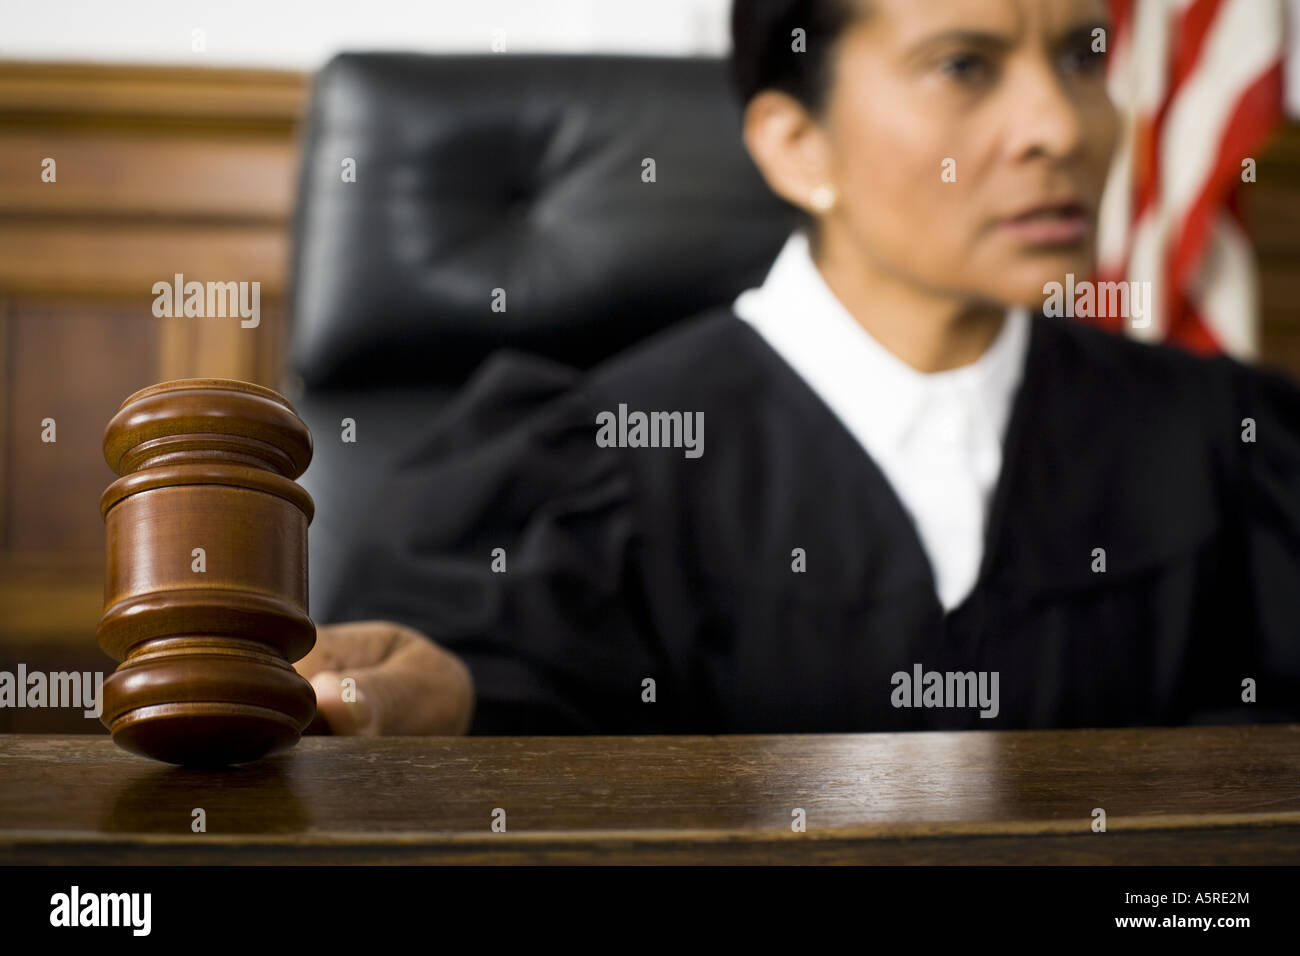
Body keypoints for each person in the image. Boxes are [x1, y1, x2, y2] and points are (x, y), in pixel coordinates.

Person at [296, 0, 1300, 736]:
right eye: (964, 66)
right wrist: (447, 707)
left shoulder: (1221, 435)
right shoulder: (598, 466)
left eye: (1084, 55)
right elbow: (476, 713)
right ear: (794, 145)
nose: (1062, 126)